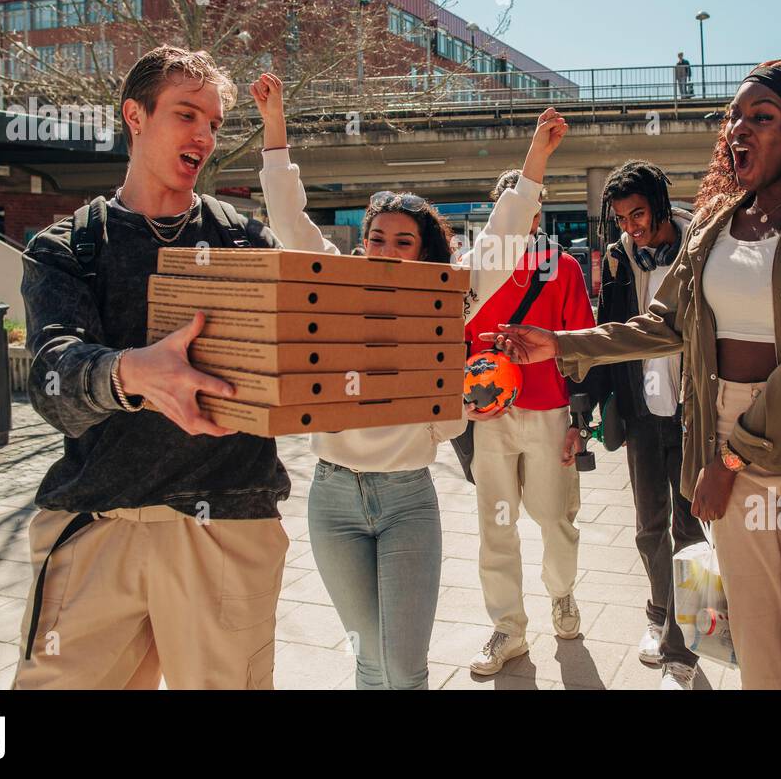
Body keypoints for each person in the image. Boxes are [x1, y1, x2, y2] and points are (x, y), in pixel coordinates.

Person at [485, 59, 781, 689]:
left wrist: (730, 460)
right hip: (726, 449)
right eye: (734, 116)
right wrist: (561, 344)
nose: (739, 129)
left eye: (762, 117)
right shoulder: (714, 225)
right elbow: (664, 323)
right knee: (757, 654)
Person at [253, 72, 570, 688]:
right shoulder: (335, 290)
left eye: (403, 242)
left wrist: (536, 158)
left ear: (424, 254)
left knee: (402, 665)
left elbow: (502, 245)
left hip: (406, 503)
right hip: (332, 498)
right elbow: (291, 224)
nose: (386, 249)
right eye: (376, 239)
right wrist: (274, 123)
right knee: (369, 661)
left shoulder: (447, 302)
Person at [14, 46, 293, 689]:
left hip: (224, 525)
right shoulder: (66, 246)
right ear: (134, 116)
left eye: (216, 123)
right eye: (187, 114)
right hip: (96, 528)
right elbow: (51, 379)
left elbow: (305, 344)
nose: (204, 134)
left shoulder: (246, 243)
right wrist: (130, 374)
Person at [463, 170, 596, 676]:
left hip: (548, 411)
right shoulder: (474, 271)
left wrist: (579, 419)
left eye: (527, 211)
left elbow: (584, 343)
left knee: (555, 517)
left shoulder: (561, 268)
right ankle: (508, 627)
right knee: (495, 525)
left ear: (537, 216)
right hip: (489, 414)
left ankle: (562, 595)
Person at [586, 159, 703, 689]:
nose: (632, 227)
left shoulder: (702, 249)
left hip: (694, 416)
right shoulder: (616, 262)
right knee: (648, 526)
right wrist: (588, 408)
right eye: (622, 219)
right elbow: (608, 336)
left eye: (639, 214)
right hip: (642, 414)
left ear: (659, 203)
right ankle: (659, 613)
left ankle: (690, 636)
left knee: (691, 527)